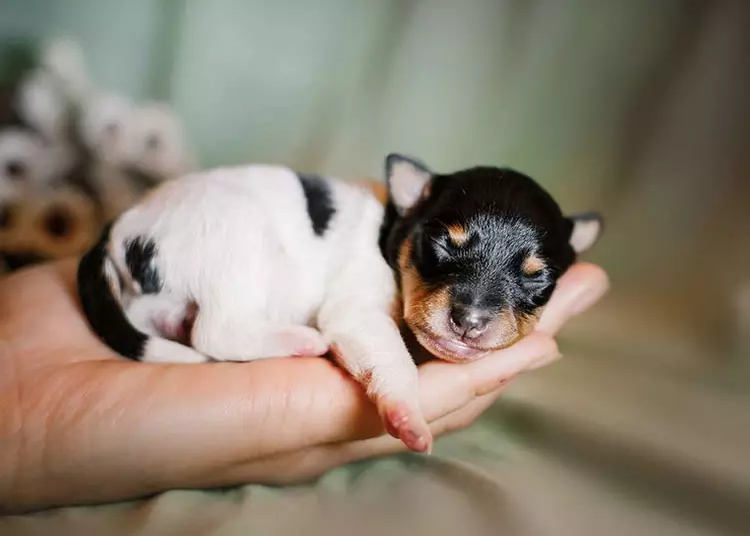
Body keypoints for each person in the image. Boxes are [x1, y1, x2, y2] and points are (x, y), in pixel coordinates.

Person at [0, 195, 609, 514]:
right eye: (444, 253)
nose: (474, 318)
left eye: (533, 281)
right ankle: (225, 331)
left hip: (158, 273)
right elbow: (354, 316)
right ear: (410, 208)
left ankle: (206, 325)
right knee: (234, 235)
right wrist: (393, 377)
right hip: (179, 244)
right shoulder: (366, 261)